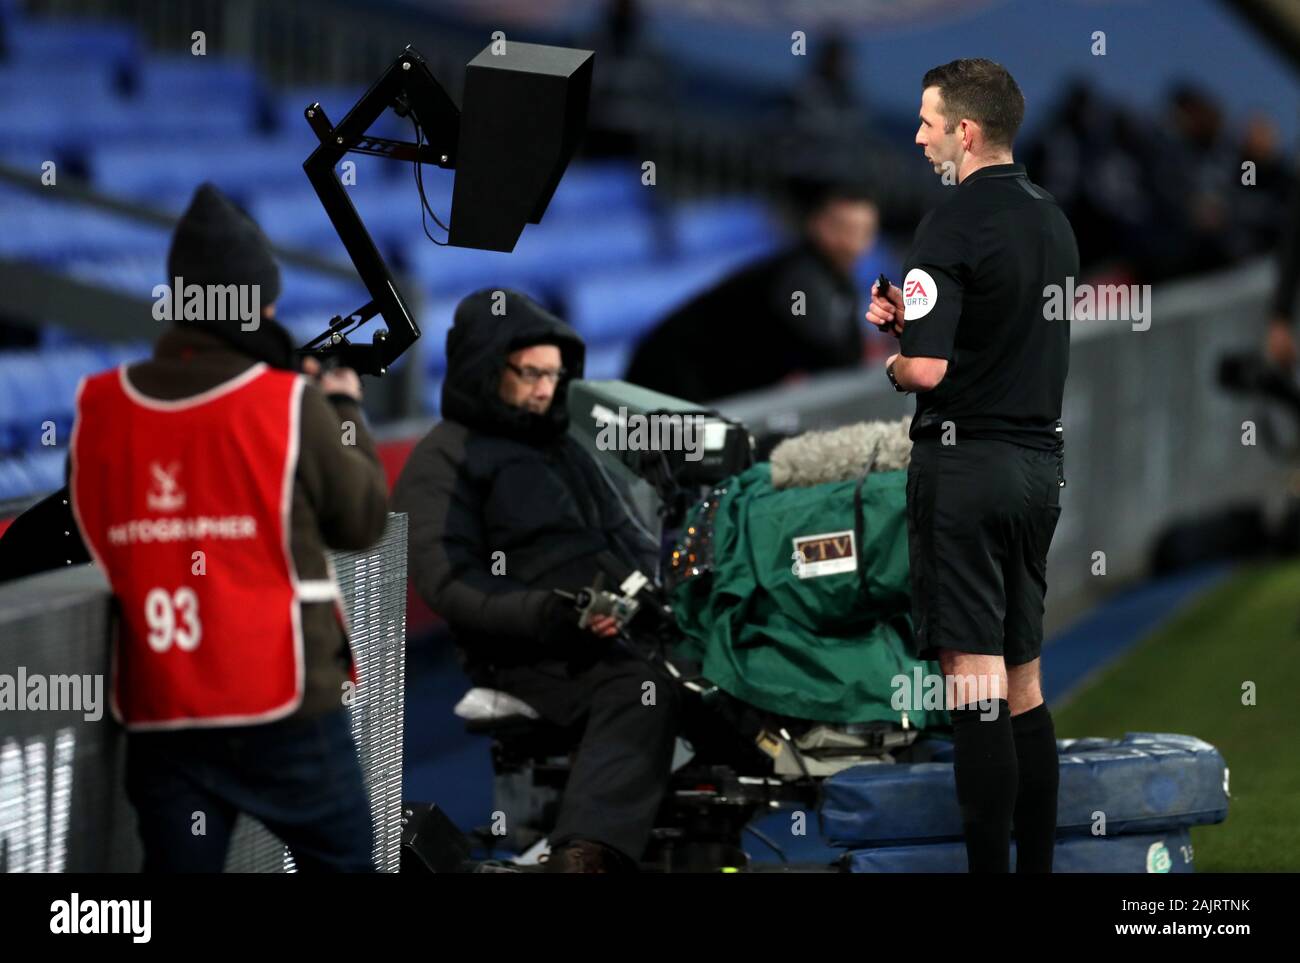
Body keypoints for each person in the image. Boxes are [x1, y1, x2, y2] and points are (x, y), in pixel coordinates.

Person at [69, 183, 389, 872]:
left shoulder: (101, 405)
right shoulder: (290, 403)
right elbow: (361, 519)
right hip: (287, 709)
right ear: (257, 304)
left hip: (164, 709)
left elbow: (96, 529)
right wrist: (342, 412)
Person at [867, 59, 1077, 873]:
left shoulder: (949, 221)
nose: (918, 136)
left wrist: (897, 360)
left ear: (967, 130)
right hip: (1037, 469)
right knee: (1023, 683)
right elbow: (994, 333)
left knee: (972, 684)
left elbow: (927, 373)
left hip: (966, 467)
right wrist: (913, 331)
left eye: (928, 121)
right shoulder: (1052, 217)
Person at [393, 288, 680, 873]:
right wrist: (549, 612)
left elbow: (628, 539)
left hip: (610, 632)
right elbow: (447, 584)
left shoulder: (562, 446)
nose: (546, 388)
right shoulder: (443, 458)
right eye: (530, 373)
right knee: (639, 687)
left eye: (554, 374)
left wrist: (664, 595)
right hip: (524, 652)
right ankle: (583, 855)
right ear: (488, 366)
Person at [624, 184, 878, 402]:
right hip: (669, 386)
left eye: (864, 232)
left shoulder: (835, 279)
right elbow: (838, 363)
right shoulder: (800, 279)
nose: (853, 243)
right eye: (843, 229)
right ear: (817, 224)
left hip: (717, 388)